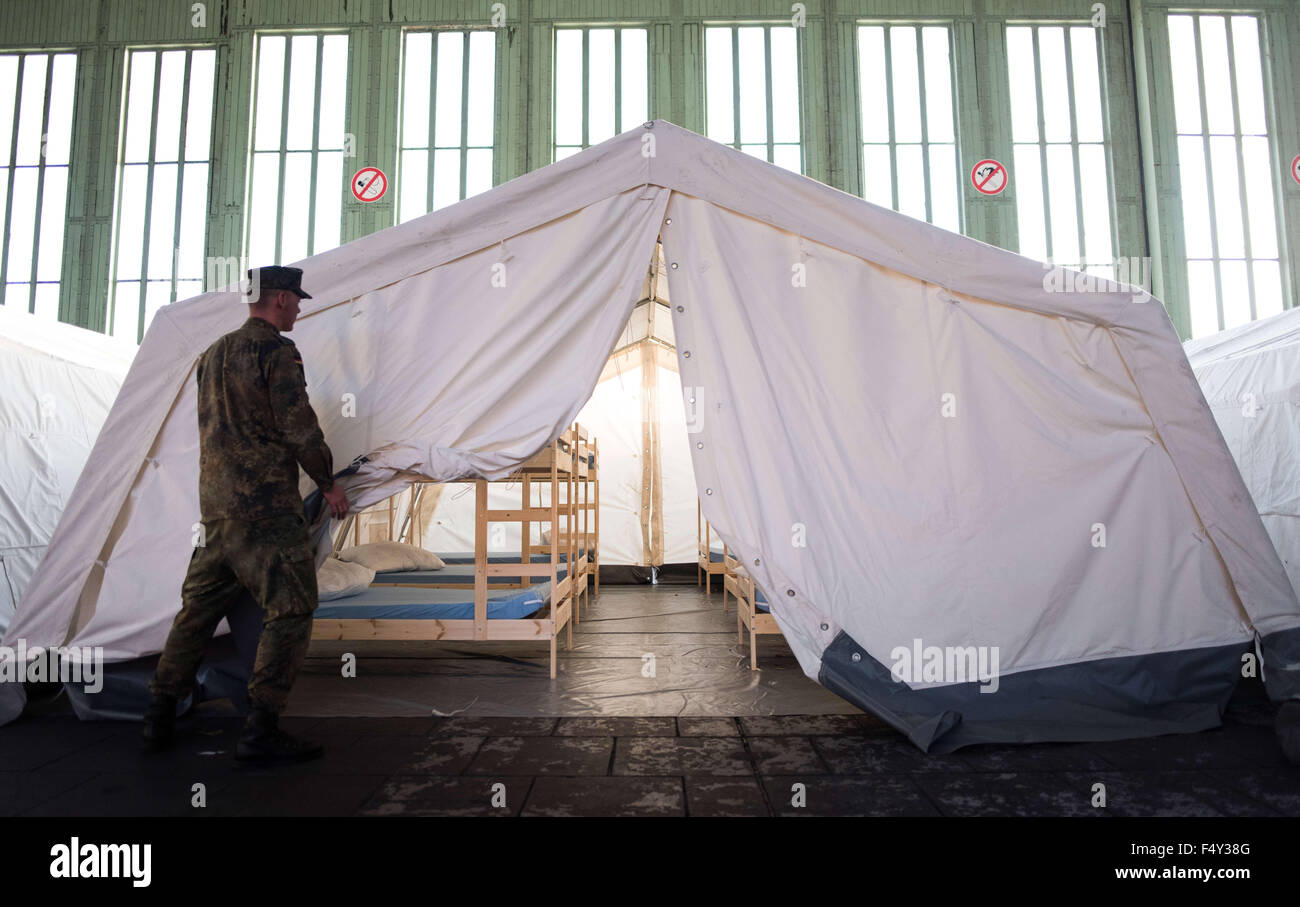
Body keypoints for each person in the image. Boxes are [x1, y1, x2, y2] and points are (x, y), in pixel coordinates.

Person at [142, 265, 350, 764]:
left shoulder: (211, 355)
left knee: (195, 615)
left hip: (215, 511)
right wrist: (328, 483)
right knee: (293, 607)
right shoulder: (275, 352)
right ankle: (260, 729)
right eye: (296, 299)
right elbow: (298, 427)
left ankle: (157, 716)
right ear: (278, 299)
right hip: (265, 511)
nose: (300, 307)